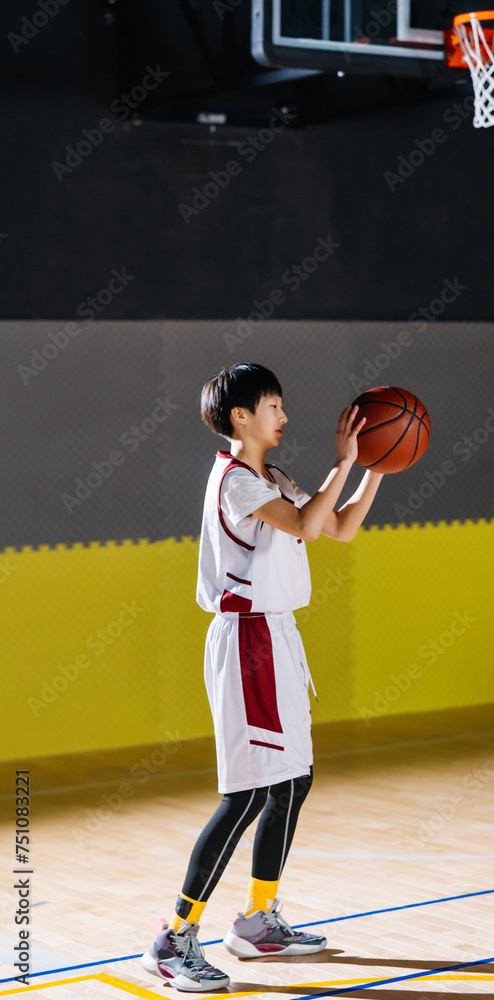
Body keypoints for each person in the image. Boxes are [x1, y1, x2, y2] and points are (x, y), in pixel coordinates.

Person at [142, 362, 383, 992]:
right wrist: (344, 459)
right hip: (246, 639)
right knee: (248, 793)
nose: (282, 415)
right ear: (240, 417)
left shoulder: (272, 477)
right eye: (272, 405)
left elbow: (339, 526)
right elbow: (307, 524)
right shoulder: (236, 483)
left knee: (293, 782)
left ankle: (257, 920)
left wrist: (375, 467)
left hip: (275, 636)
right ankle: (173, 938)